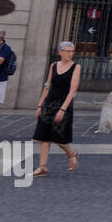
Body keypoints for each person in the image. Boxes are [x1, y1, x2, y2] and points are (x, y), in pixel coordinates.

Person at [33, 40, 79, 176]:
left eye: (72, 51)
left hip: (63, 104)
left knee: (59, 138)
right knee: (44, 135)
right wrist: (40, 105)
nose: (70, 54)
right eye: (67, 51)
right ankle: (42, 167)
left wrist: (63, 109)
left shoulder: (76, 67)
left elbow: (72, 91)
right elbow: (47, 86)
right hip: (49, 104)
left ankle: (71, 154)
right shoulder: (53, 66)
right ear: (60, 52)